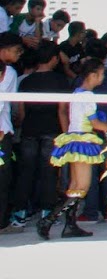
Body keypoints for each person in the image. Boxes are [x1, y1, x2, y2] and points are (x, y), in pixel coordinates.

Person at [37, 56, 107, 239]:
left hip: (74, 139)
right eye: (101, 74)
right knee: (82, 186)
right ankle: (48, 220)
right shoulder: (88, 96)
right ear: (93, 75)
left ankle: (70, 225)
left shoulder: (76, 92)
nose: (103, 78)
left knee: (74, 186)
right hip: (83, 141)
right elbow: (95, 123)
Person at [13, 41, 72, 225]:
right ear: (54, 58)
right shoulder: (60, 81)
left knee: (26, 171)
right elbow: (62, 111)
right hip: (51, 129)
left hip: (29, 130)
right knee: (49, 171)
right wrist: (67, 135)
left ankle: (20, 213)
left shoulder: (26, 81)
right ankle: (47, 212)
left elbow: (21, 112)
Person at [0, 33, 22, 232]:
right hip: (2, 132)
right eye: (16, 51)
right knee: (3, 178)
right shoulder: (8, 72)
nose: (18, 54)